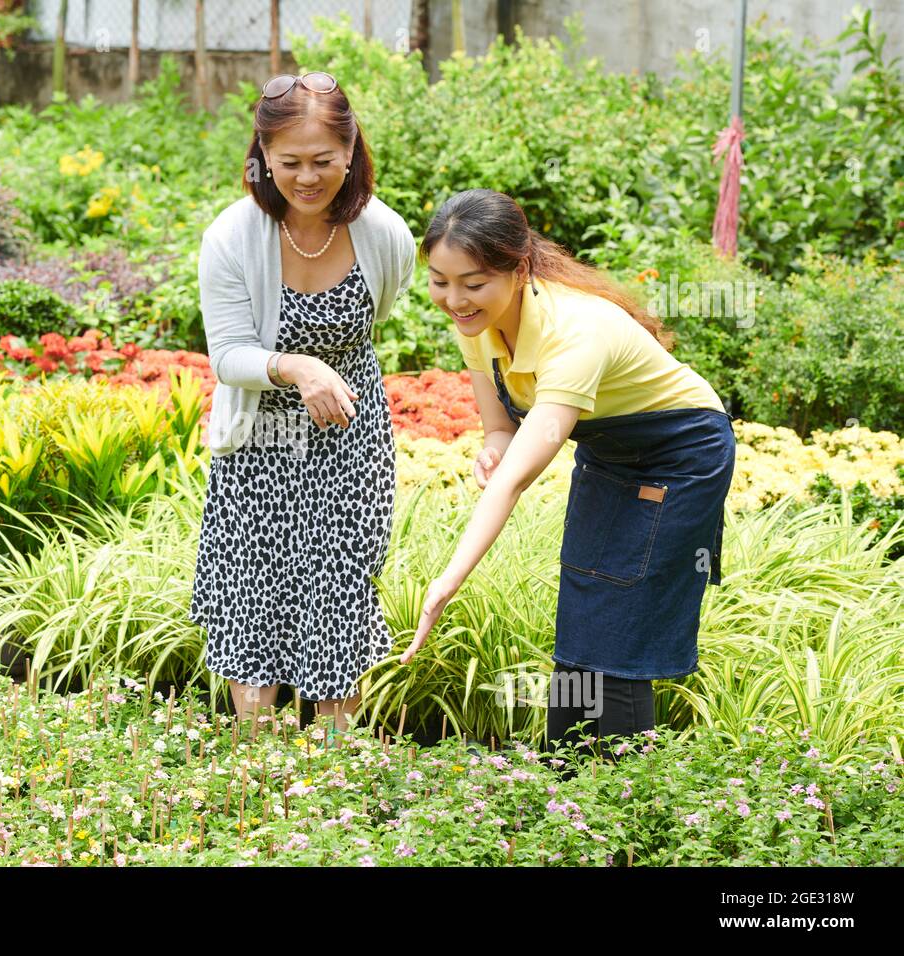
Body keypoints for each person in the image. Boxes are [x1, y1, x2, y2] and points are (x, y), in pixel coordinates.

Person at [400, 188, 736, 768]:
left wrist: (445, 584)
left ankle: (625, 808)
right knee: (585, 612)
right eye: (439, 281)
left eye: (473, 283)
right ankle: (563, 790)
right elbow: (500, 430)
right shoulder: (475, 322)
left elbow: (514, 483)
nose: (454, 299)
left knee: (622, 631)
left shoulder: (574, 333)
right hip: (609, 452)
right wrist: (495, 446)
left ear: (518, 268)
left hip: (680, 456)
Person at [188, 71, 416, 738]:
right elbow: (228, 355)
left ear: (351, 153)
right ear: (262, 157)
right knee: (252, 584)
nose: (308, 177)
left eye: (324, 161)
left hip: (350, 435)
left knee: (339, 585)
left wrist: (331, 374)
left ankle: (335, 764)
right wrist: (297, 367)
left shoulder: (383, 233)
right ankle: (259, 765)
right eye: (290, 163)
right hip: (260, 438)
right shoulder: (232, 237)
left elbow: (385, 308)